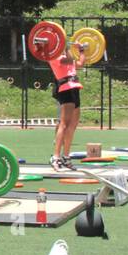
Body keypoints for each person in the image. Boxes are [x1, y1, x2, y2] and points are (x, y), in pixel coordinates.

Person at [49, 40, 84, 171]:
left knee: (72, 126)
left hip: (74, 88)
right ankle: (56, 157)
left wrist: (81, 50)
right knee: (63, 124)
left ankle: (66, 157)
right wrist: (68, 47)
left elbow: (80, 63)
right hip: (65, 89)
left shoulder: (66, 58)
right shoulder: (54, 57)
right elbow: (69, 60)